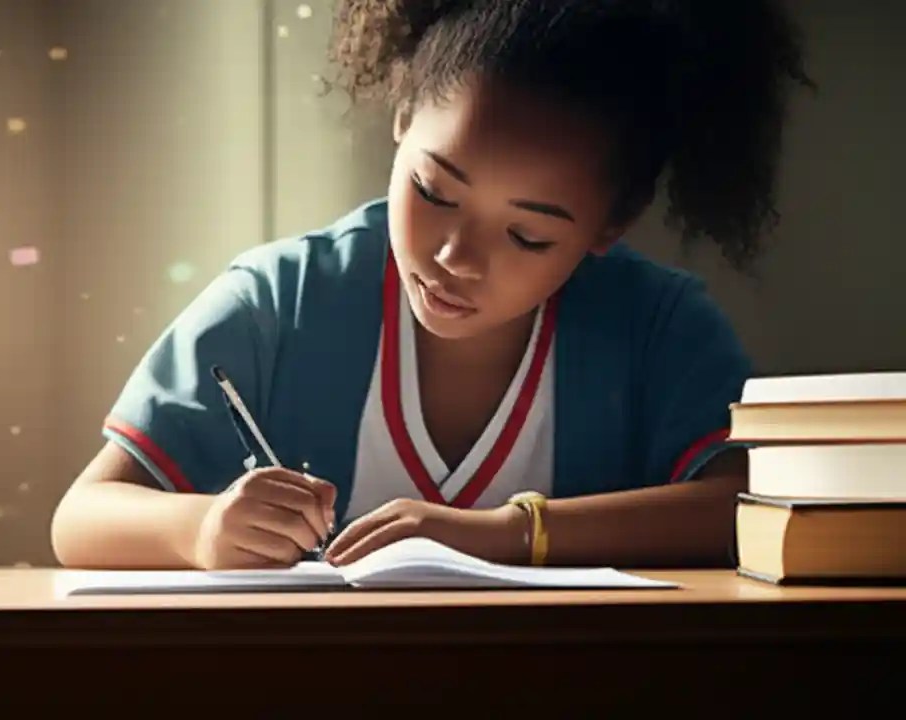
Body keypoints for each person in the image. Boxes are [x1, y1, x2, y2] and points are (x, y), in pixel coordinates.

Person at [50, 0, 814, 571]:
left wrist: (502, 534)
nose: (457, 255)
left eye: (528, 234)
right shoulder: (277, 302)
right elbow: (80, 517)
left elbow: (753, 511)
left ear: (612, 223)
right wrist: (203, 530)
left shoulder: (658, 326)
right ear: (402, 113)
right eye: (435, 191)